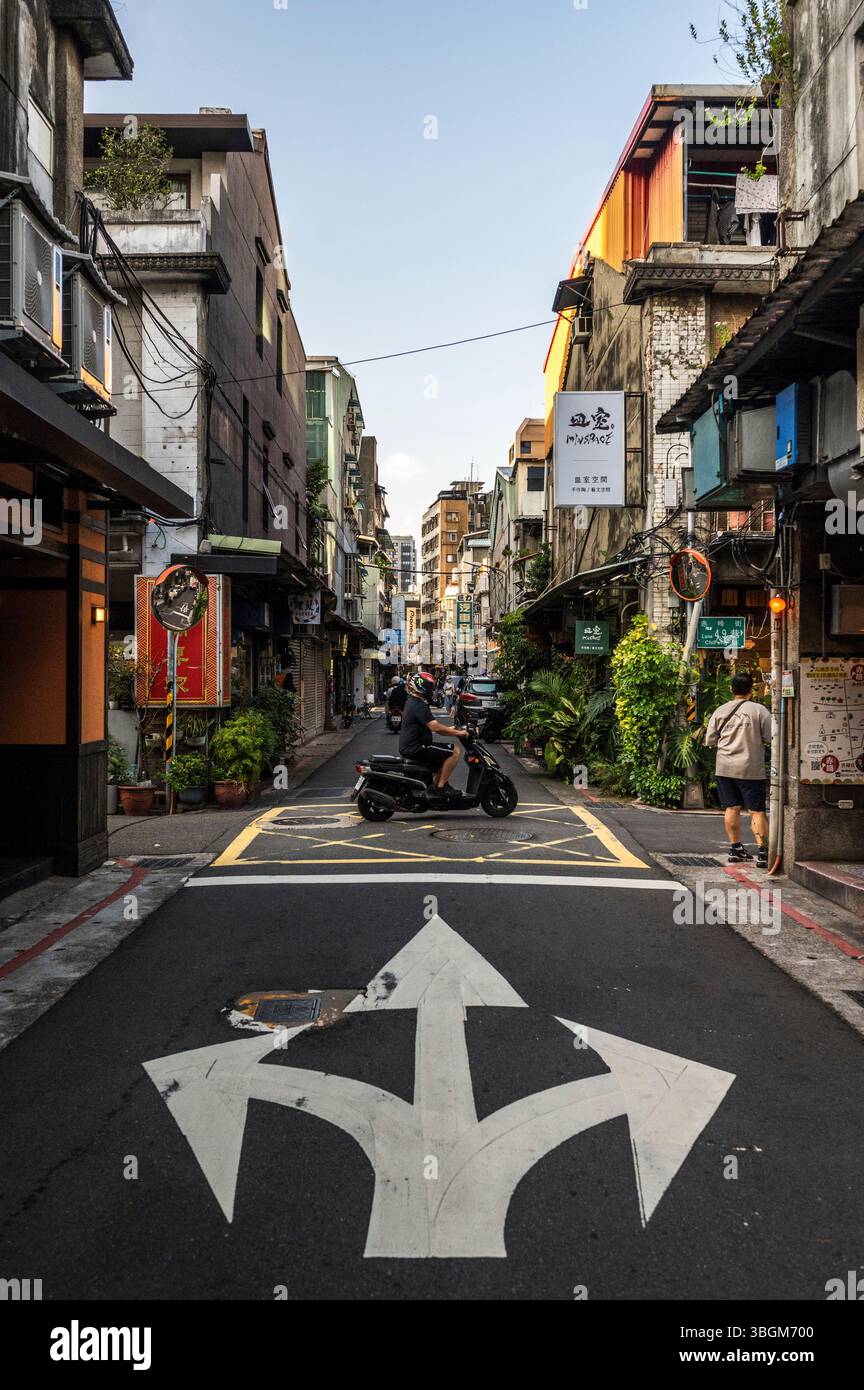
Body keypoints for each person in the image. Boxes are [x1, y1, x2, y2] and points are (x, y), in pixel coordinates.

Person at [705, 672, 772, 868]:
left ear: (731, 690)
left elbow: (710, 740)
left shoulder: (720, 710)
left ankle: (735, 848)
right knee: (756, 811)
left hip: (725, 767)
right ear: (752, 690)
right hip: (750, 768)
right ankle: (762, 851)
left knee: (731, 807)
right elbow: (770, 737)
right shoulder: (760, 710)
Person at [399, 671, 468, 800]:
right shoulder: (418, 705)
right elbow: (435, 727)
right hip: (417, 747)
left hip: (413, 746)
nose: (432, 690)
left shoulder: (415, 701)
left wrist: (449, 729)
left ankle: (437, 784)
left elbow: (434, 725)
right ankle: (440, 788)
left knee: (442, 756)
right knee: (454, 751)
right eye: (430, 687)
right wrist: (458, 732)